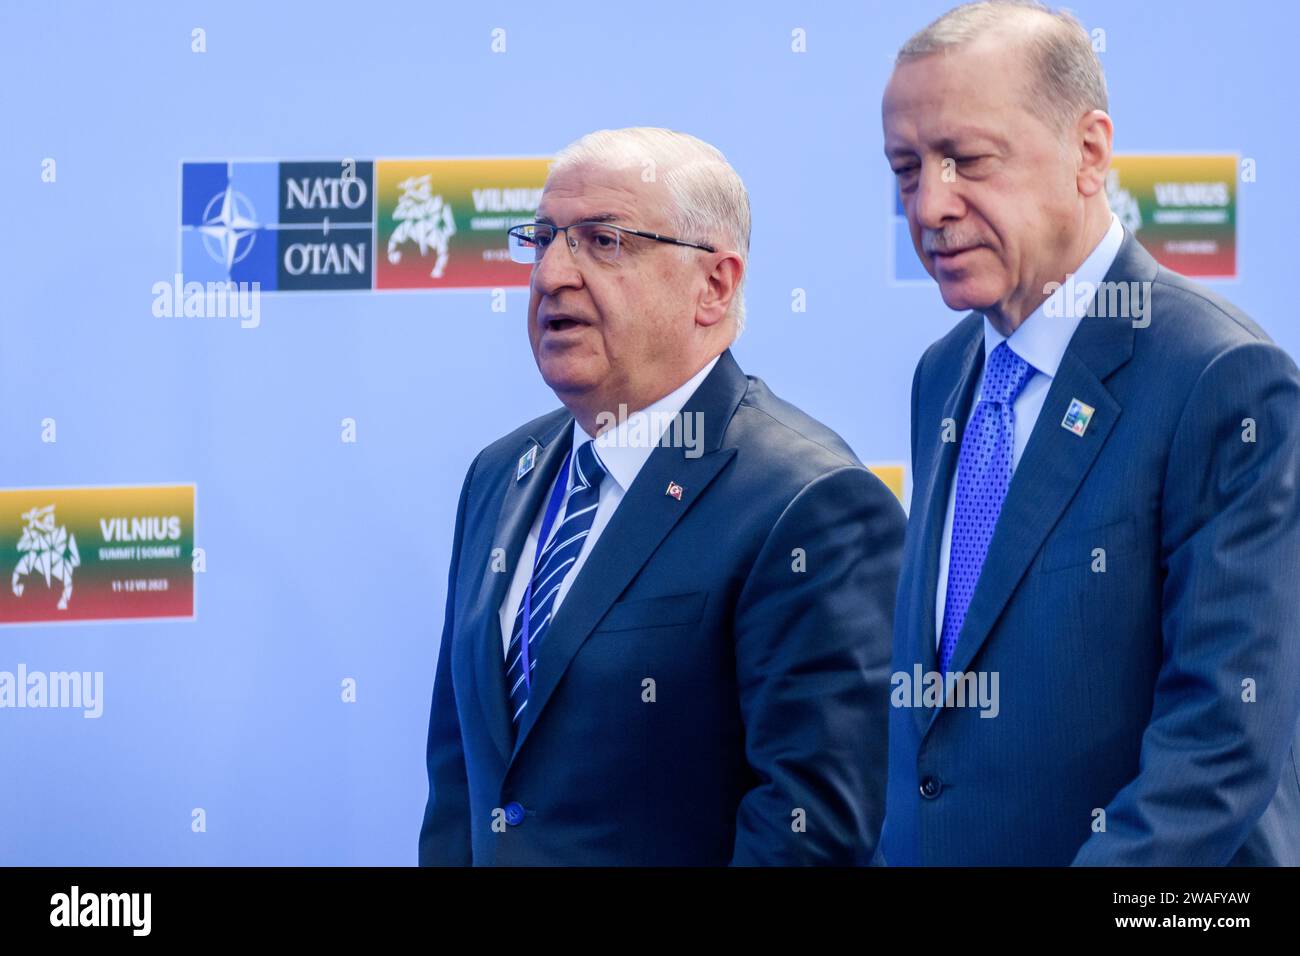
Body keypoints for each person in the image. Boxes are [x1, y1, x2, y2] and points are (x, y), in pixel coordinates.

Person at [881, 0, 1300, 865]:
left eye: (967, 160)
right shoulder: (942, 373)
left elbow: (1219, 741)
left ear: (1090, 151)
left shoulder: (1223, 380)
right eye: (906, 166)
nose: (930, 205)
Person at [419, 127, 905, 865]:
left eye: (603, 241)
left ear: (714, 285)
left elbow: (813, 832)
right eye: (543, 238)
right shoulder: (500, 474)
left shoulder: (809, 502)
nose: (553, 274)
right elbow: (461, 788)